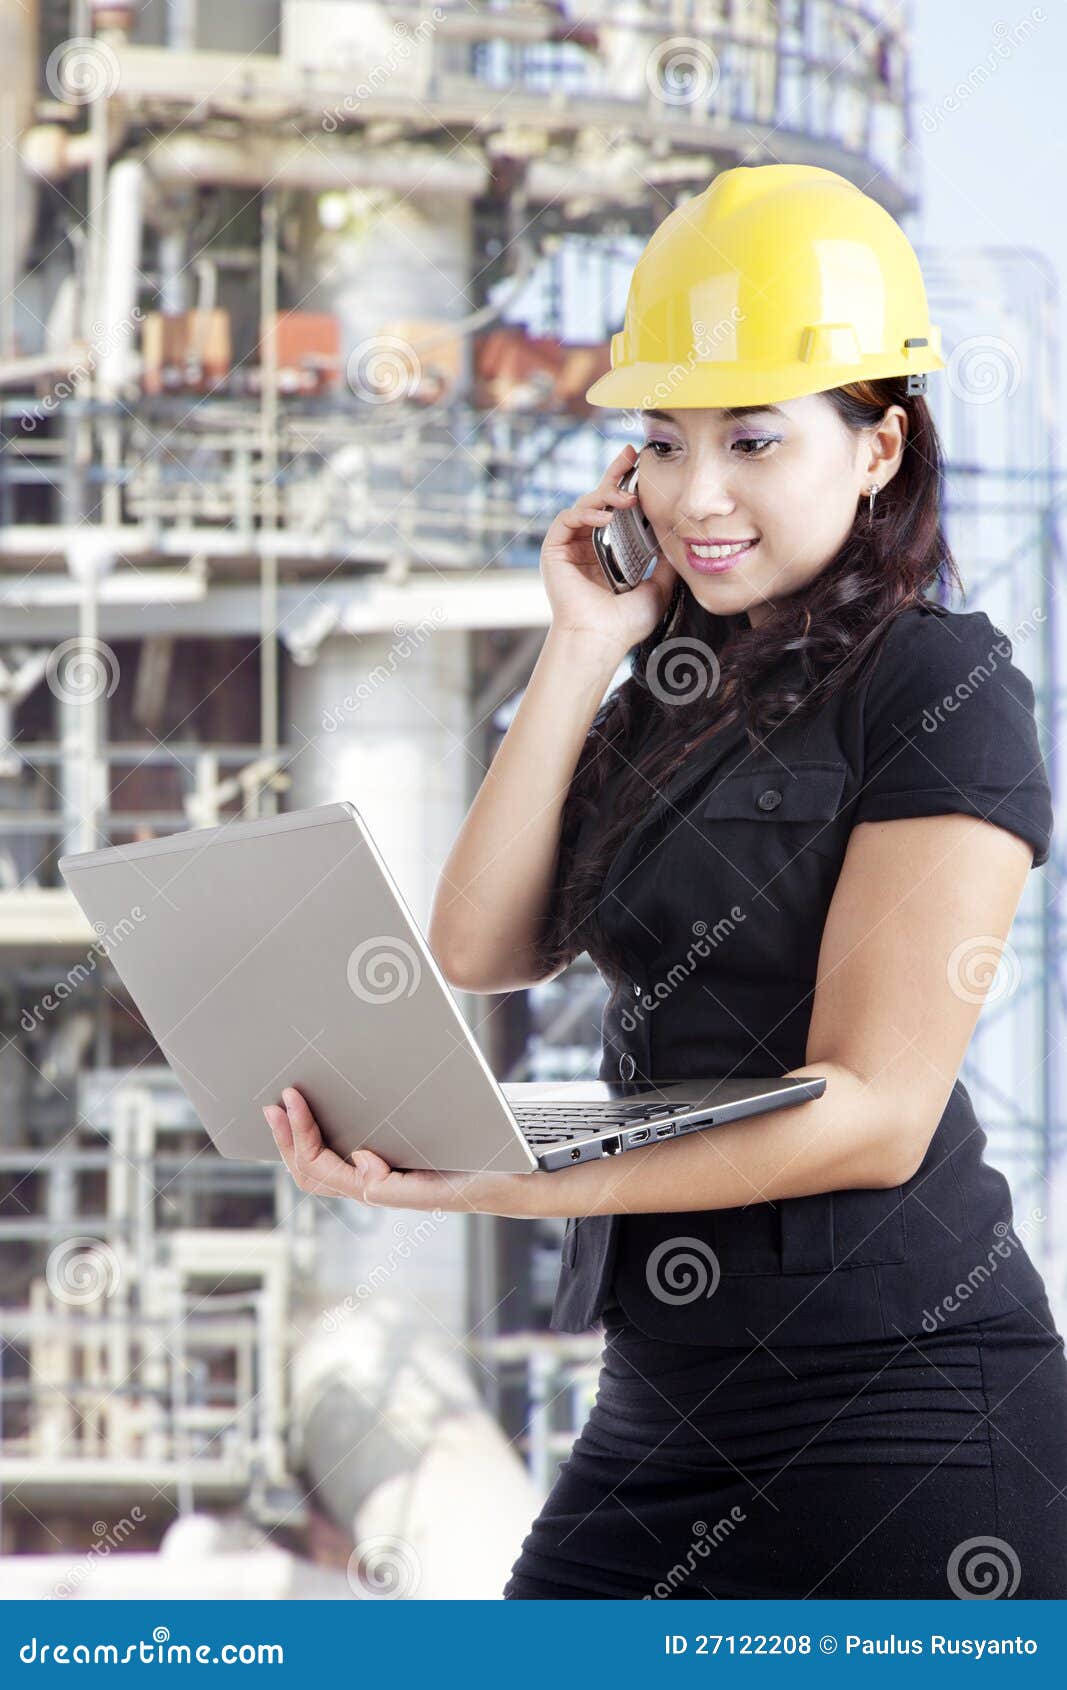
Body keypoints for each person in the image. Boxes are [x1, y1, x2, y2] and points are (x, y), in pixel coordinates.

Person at [264, 164, 1067, 1599]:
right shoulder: (669, 690)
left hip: (902, 1412)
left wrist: (501, 1183)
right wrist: (581, 644)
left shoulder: (943, 689)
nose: (698, 495)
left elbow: (875, 1116)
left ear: (878, 450)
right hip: (664, 1400)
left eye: (756, 441)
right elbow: (481, 944)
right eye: (662, 442)